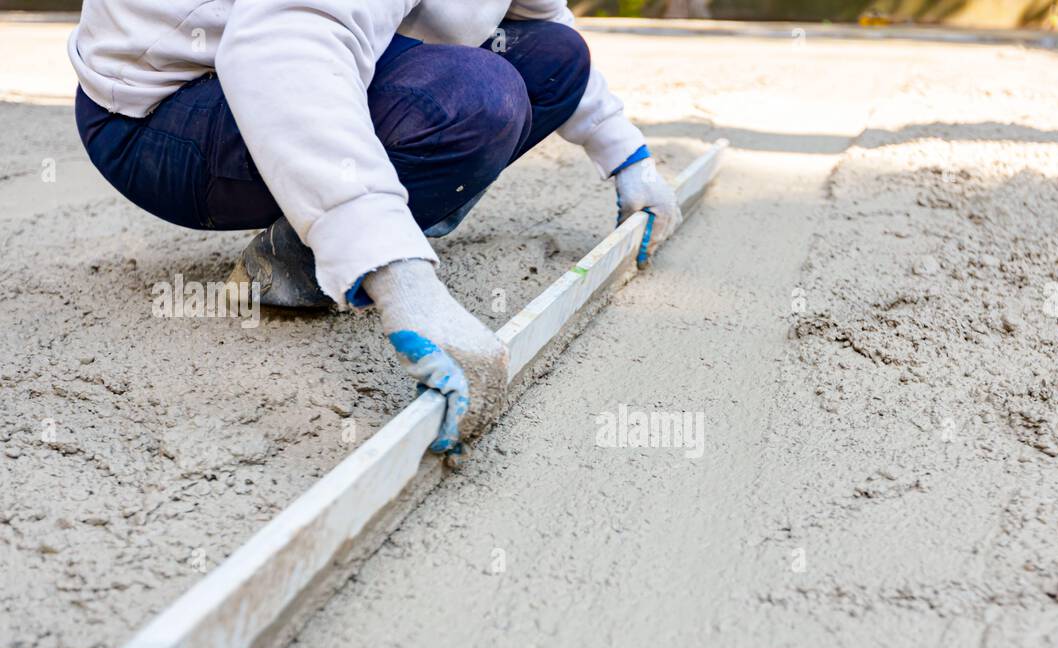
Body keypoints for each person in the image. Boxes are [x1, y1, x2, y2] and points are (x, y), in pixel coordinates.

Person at [69, 1, 683, 452]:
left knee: (553, 57)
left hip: (281, 45)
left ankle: (325, 229)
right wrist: (401, 278)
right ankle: (315, 253)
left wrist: (629, 159)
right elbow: (286, 51)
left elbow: (542, 23)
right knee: (476, 97)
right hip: (159, 110)